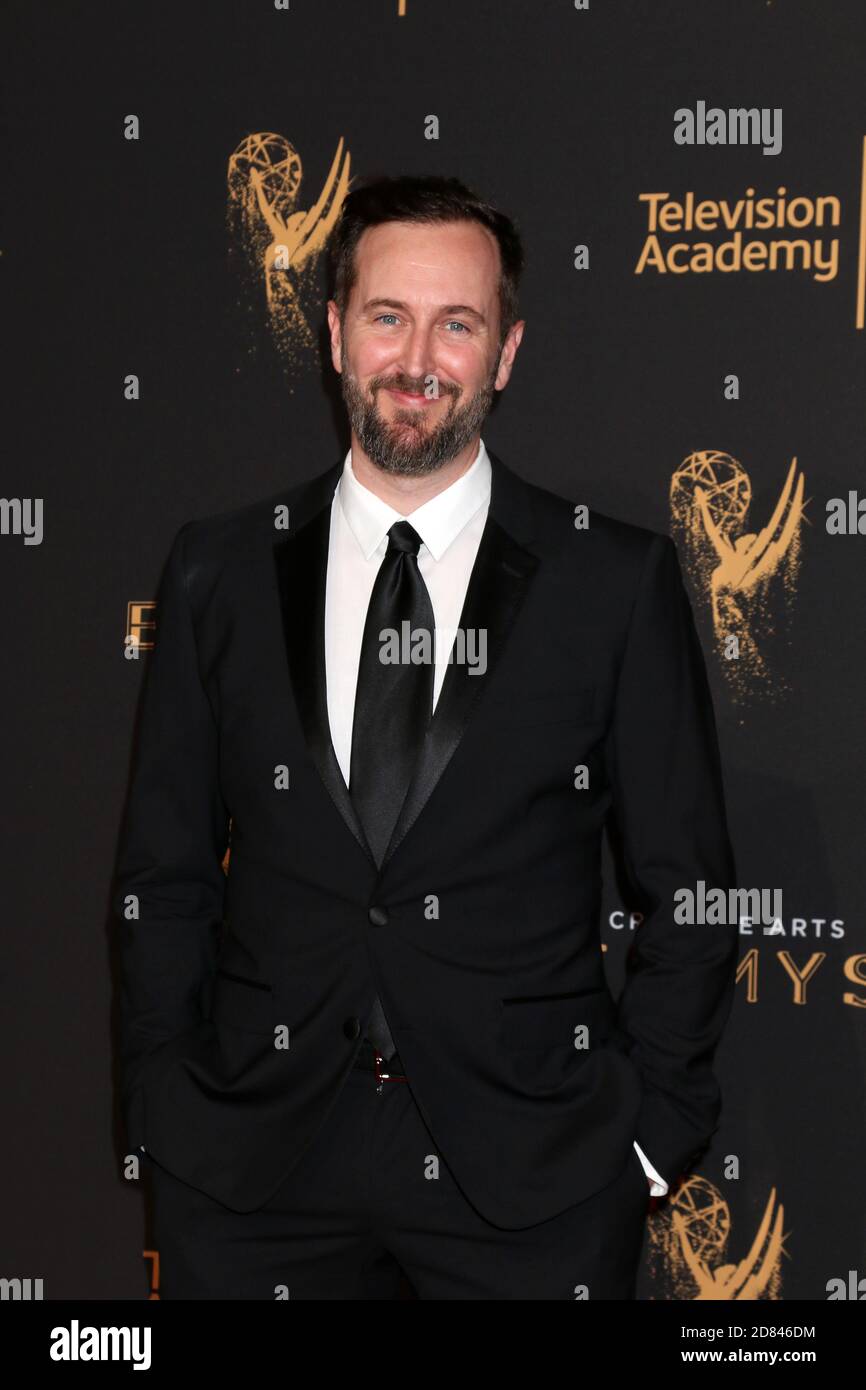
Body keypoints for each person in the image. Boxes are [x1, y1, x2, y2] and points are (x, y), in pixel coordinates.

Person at [114, 174, 738, 1299]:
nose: (417, 359)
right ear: (335, 337)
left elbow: (687, 886)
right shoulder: (220, 568)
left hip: (530, 1176)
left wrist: (648, 1137)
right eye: (387, 317)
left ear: (503, 352)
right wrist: (164, 1102)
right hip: (255, 1170)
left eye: (457, 323)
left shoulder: (611, 579)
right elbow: (161, 876)